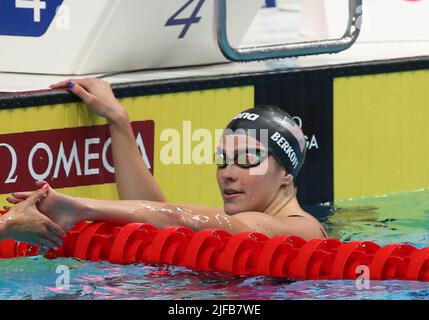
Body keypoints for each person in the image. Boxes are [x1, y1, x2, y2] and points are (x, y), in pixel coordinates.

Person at [5, 78, 327, 240]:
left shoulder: (303, 231)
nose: (228, 173)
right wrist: (118, 120)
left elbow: (186, 220)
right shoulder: (252, 220)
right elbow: (158, 219)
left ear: (286, 172)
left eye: (246, 159)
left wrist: (81, 207)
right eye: (222, 160)